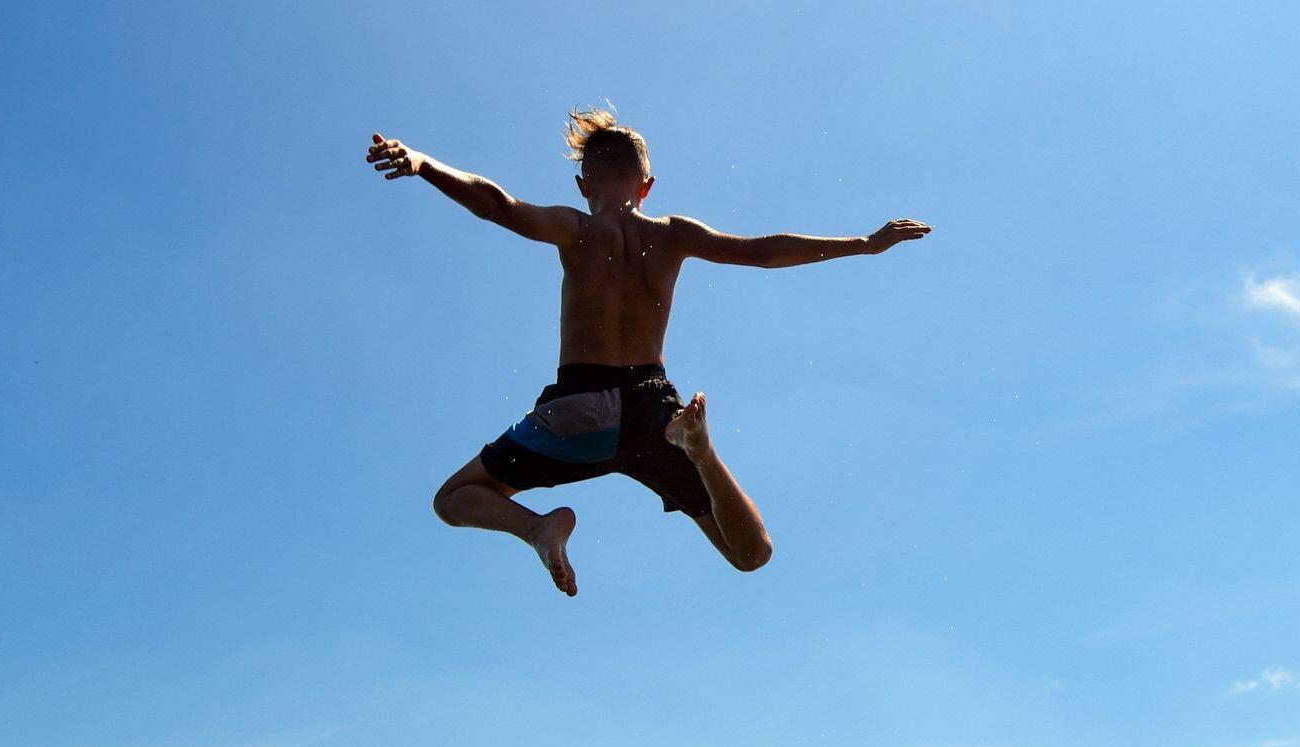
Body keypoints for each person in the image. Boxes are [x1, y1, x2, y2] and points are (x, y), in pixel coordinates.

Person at [366, 109, 930, 596]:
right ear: (647, 186)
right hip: (654, 413)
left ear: (584, 186)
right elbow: (762, 253)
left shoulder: (576, 228)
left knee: (455, 498)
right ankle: (701, 451)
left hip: (576, 409)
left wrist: (423, 163)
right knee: (751, 554)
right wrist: (864, 243)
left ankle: (538, 530)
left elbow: (497, 204)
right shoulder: (672, 235)